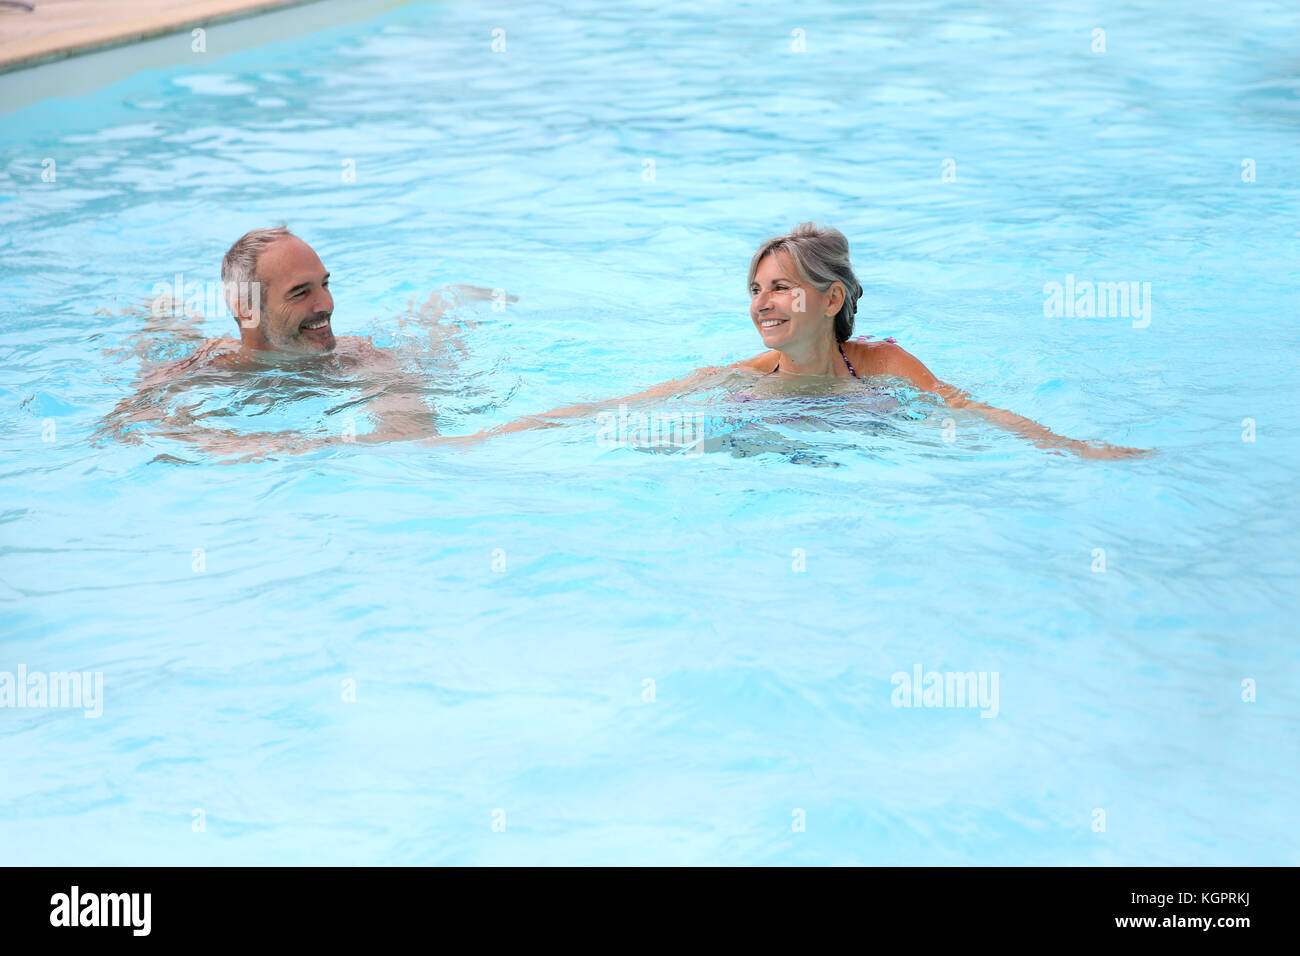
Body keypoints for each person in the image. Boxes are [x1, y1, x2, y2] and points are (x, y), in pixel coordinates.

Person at [471, 223, 1152, 460]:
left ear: (831, 299)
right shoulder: (744, 376)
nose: (762, 304)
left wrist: (1067, 446)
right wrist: (486, 440)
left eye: (780, 288)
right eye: (756, 290)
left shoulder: (880, 363)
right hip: (762, 443)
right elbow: (616, 406)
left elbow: (967, 409)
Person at [101, 226, 462, 459]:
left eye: (325, 284)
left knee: (432, 333)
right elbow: (122, 430)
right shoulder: (203, 369)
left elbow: (412, 438)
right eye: (300, 292)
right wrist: (264, 445)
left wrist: (296, 447)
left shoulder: (360, 360)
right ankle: (165, 315)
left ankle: (442, 302)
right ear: (247, 311)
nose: (326, 305)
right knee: (161, 340)